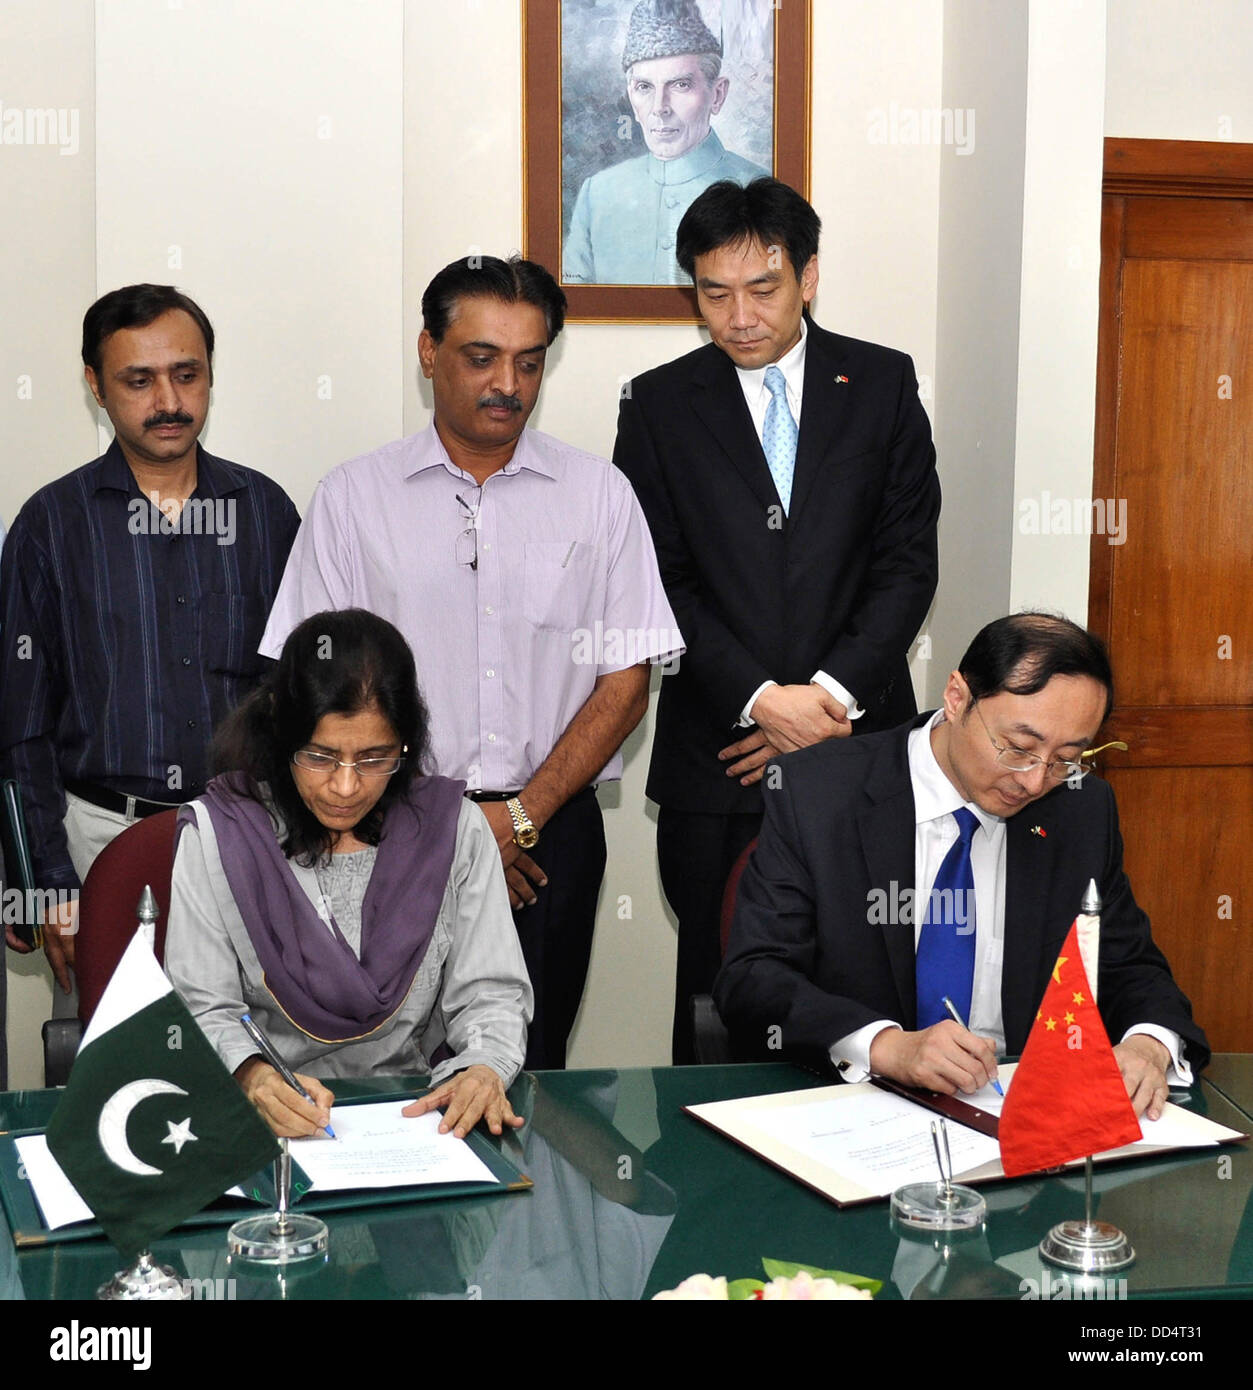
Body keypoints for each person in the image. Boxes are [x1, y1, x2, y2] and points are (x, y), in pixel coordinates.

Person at [260, 255, 680, 1070]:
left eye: (528, 361)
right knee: (375, 1066)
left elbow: (627, 680)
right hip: (379, 833)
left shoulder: (599, 495)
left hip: (551, 835)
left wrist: (516, 821)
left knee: (527, 1063)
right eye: (480, 357)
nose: (507, 384)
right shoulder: (354, 497)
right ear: (428, 351)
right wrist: (444, 828)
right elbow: (311, 687)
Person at [614, 177, 939, 1062]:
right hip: (717, 758)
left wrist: (823, 707)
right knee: (721, 998)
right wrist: (763, 700)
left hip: (860, 745)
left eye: (762, 289)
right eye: (712, 294)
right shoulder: (656, 403)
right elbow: (656, 578)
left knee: (868, 977)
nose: (738, 316)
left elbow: (906, 564)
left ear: (808, 276)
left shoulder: (879, 382)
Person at [714, 613, 1210, 1120]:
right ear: (957, 698)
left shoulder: (1080, 810)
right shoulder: (818, 793)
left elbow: (1129, 965)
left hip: (1023, 1120)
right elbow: (755, 979)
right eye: (1019, 748)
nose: (1036, 781)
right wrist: (888, 1047)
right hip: (852, 1109)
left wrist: (1149, 1045)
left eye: (1066, 758)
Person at [0, 285, 299, 1012]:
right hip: (98, 839)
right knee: (115, 1068)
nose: (168, 399)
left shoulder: (264, 512)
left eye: (187, 375)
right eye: (139, 380)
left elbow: (301, 701)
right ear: (95, 386)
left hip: (247, 841)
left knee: (254, 1068)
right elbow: (19, 722)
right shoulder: (50, 525)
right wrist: (41, 881)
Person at [165, 609, 533, 1139]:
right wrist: (250, 1074)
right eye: (320, 756)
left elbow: (491, 993)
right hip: (262, 1119)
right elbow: (203, 1006)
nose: (345, 786)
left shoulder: (453, 830)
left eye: (374, 758)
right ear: (281, 735)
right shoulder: (221, 835)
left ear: (405, 748)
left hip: (412, 1118)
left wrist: (483, 1067)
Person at [563, 0, 767, 284]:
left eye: (681, 85)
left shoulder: (761, 188)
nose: (660, 107)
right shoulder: (597, 193)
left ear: (717, 95)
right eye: (644, 87)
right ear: (632, 100)